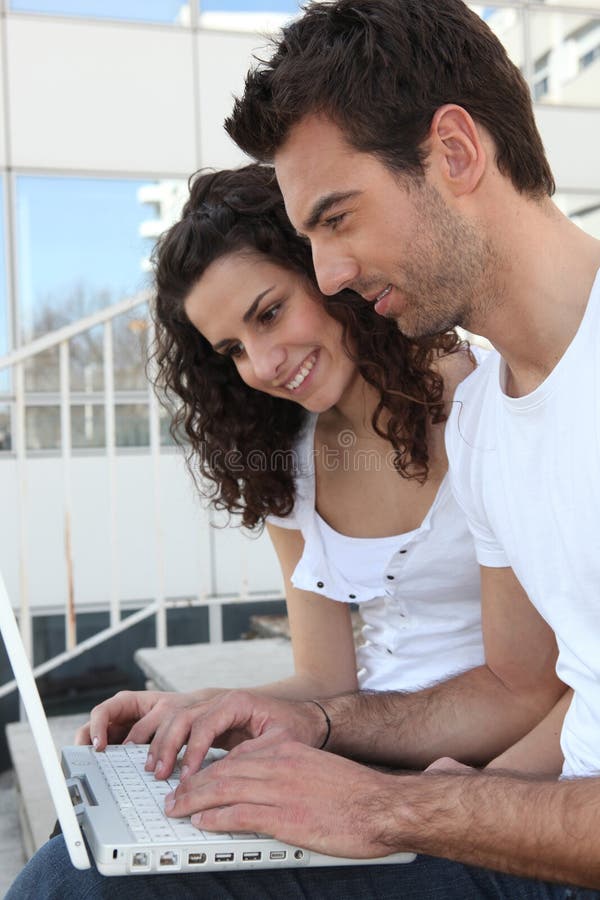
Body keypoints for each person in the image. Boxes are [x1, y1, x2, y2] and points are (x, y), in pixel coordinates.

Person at [8, 0, 599, 897]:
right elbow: (525, 688)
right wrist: (287, 725)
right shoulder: (501, 423)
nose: (331, 276)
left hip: (522, 835)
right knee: (99, 849)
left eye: (337, 218)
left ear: (455, 153)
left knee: (97, 885)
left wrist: (401, 807)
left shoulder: (481, 406)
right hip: (492, 805)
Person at [76, 160, 487, 738]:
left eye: (269, 313)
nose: (263, 364)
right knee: (75, 830)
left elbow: (534, 681)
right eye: (234, 350)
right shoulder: (286, 464)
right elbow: (324, 680)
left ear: (323, 269)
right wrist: (187, 708)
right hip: (360, 740)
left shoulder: (489, 403)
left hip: (475, 761)